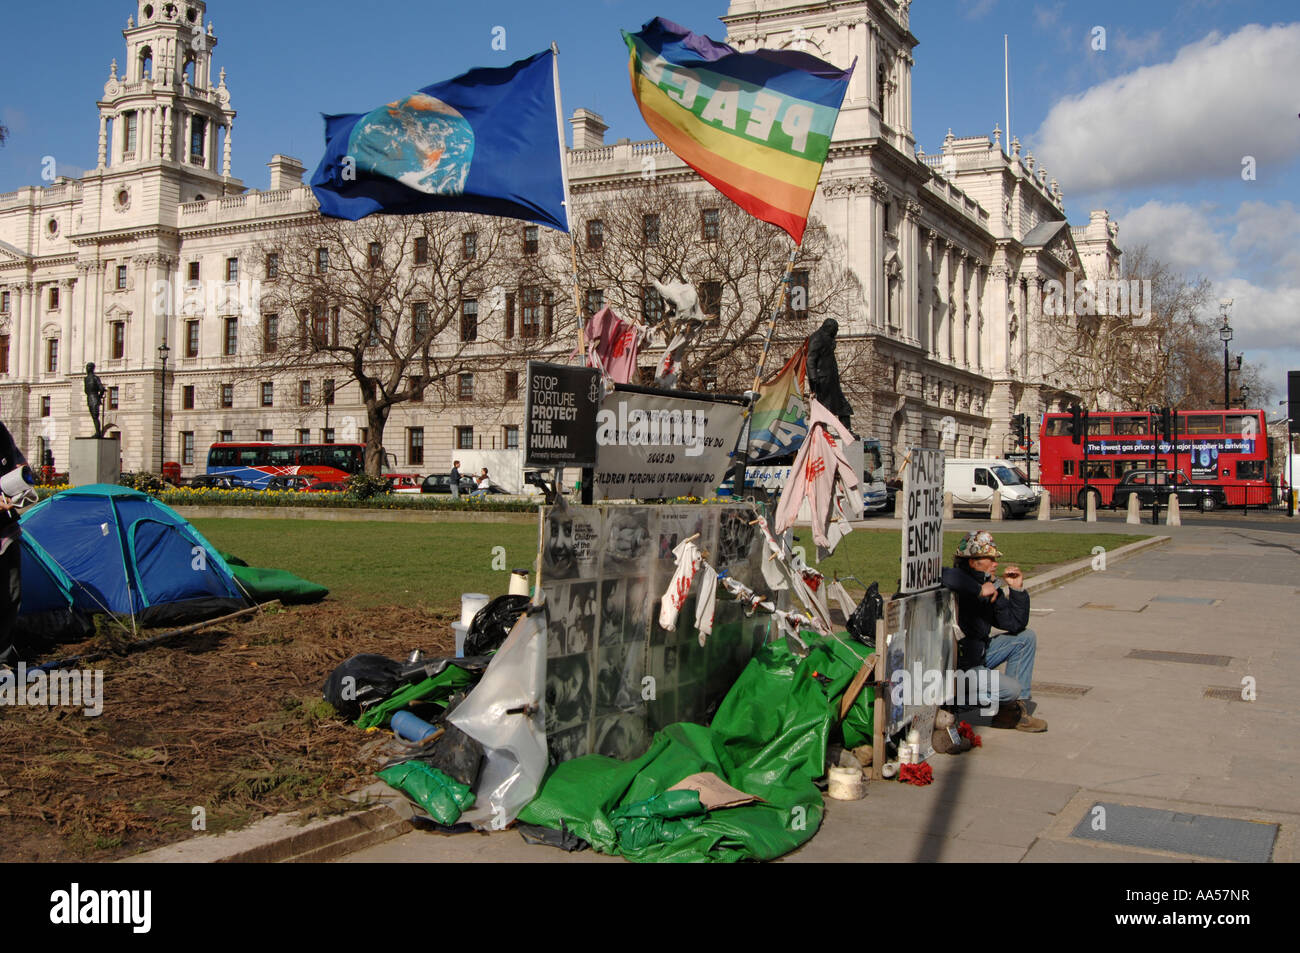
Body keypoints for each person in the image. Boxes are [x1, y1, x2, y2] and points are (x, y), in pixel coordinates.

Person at [940, 531, 1047, 732]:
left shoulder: (991, 586)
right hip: (958, 665)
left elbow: (1015, 624)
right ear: (972, 562)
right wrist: (979, 590)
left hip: (978, 655)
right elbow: (946, 575)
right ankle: (955, 703)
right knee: (1011, 689)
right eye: (989, 558)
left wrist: (1017, 591)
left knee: (1026, 638)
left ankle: (1013, 713)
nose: (995, 563)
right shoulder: (959, 580)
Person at [0, 420, 28, 661]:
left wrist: (22, 479)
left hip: (6, 529)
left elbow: (18, 463)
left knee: (11, 593)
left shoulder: (1, 433)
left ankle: (2, 657)